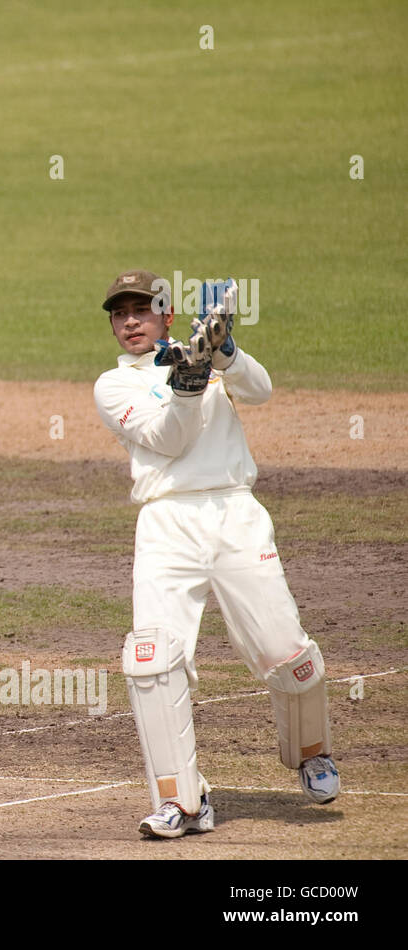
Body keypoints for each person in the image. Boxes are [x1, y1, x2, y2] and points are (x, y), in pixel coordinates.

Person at [93, 269, 339, 839]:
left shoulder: (205, 355)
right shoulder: (114, 384)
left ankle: (312, 753)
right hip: (166, 522)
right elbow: (168, 441)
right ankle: (182, 801)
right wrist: (188, 384)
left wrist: (225, 354)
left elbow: (262, 390)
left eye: (142, 310)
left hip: (234, 514)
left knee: (286, 651)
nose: (130, 321)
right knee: (153, 660)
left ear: (166, 315)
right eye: (119, 313)